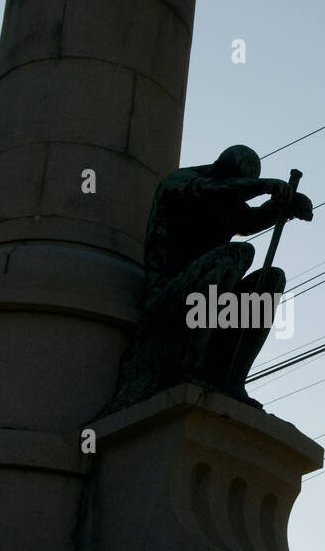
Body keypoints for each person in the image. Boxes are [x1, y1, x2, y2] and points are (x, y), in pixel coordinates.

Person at [108, 145, 312, 411]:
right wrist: (264, 186)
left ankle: (233, 380)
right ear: (218, 169)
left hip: (204, 300)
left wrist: (284, 206)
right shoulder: (181, 182)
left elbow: (250, 221)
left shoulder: (227, 202)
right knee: (238, 253)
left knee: (271, 280)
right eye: (235, 182)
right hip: (165, 298)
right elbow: (208, 192)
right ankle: (186, 367)